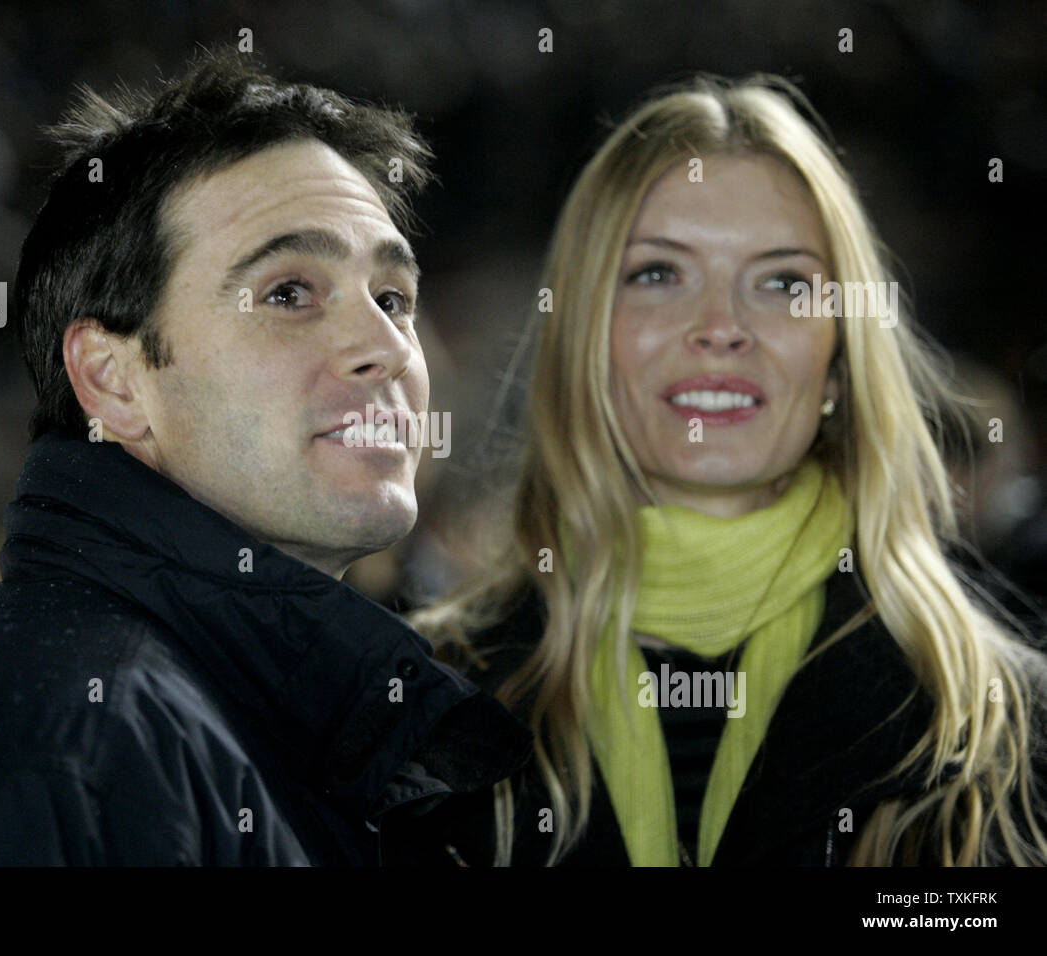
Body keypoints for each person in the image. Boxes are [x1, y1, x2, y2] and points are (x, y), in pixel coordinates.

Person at [0, 50, 530, 866]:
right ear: (112, 381)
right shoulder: (21, 759)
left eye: (393, 298)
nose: (386, 346)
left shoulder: (233, 724)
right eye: (288, 294)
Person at [386, 74, 1047, 867]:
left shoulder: (1010, 719)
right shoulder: (425, 699)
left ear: (840, 360)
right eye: (659, 274)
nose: (721, 328)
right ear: (585, 341)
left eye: (782, 282)